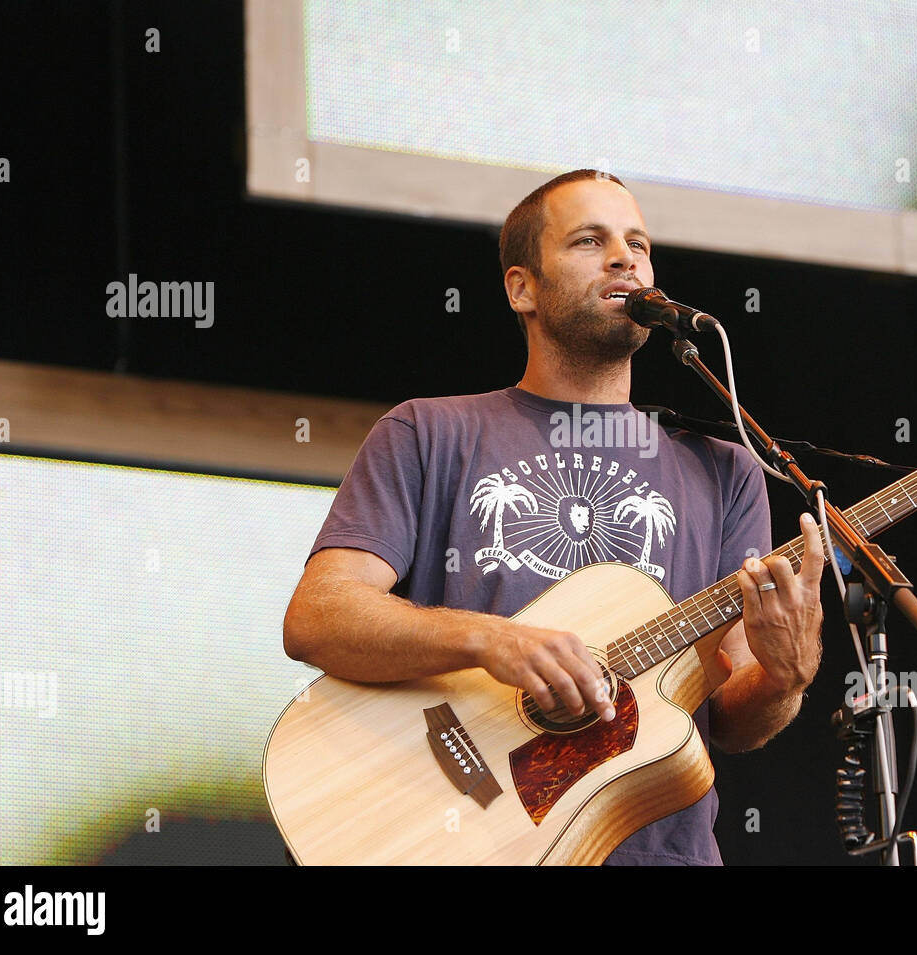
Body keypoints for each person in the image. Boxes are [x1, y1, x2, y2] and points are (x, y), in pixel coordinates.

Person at [282, 169, 825, 865]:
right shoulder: (428, 432)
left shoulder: (724, 470)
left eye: (638, 243)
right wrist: (492, 640)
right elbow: (317, 615)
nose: (625, 258)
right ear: (522, 288)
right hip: (465, 839)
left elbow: (733, 718)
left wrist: (785, 677)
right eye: (589, 241)